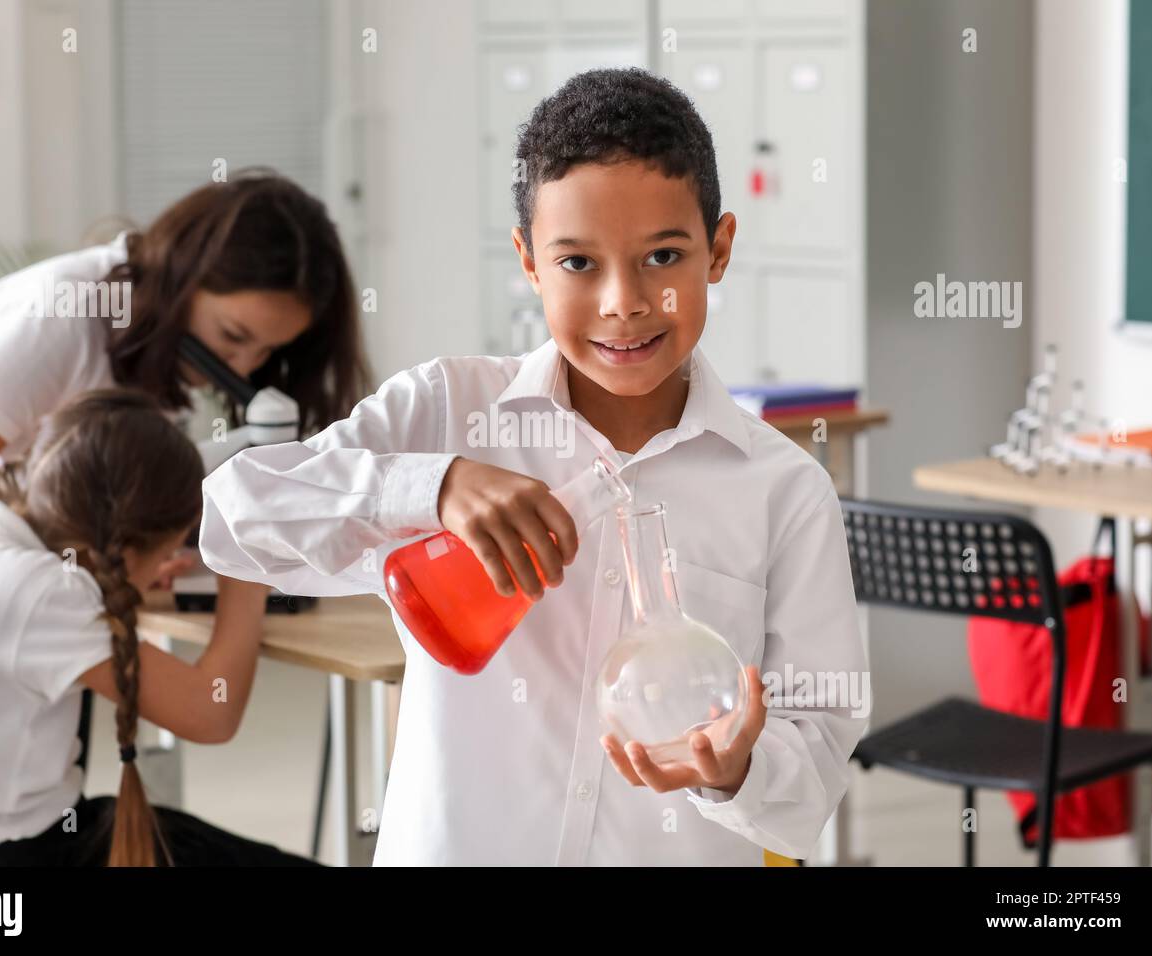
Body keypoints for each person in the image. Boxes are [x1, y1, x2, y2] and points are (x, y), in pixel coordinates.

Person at [200, 68, 870, 865]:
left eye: (663, 255)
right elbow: (235, 522)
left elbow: (819, 754)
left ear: (718, 250)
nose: (623, 301)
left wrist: (736, 774)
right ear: (528, 260)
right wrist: (432, 484)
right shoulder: (447, 410)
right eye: (578, 263)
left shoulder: (783, 491)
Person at [0, 169, 370, 594]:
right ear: (182, 277)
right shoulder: (59, 321)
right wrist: (88, 574)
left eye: (266, 352)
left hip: (21, 556)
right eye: (231, 336)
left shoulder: (158, 351)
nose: (240, 369)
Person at [0, 390, 315, 866]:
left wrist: (132, 574)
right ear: (123, 552)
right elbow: (211, 711)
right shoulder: (42, 590)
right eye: (164, 551)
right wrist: (245, 577)